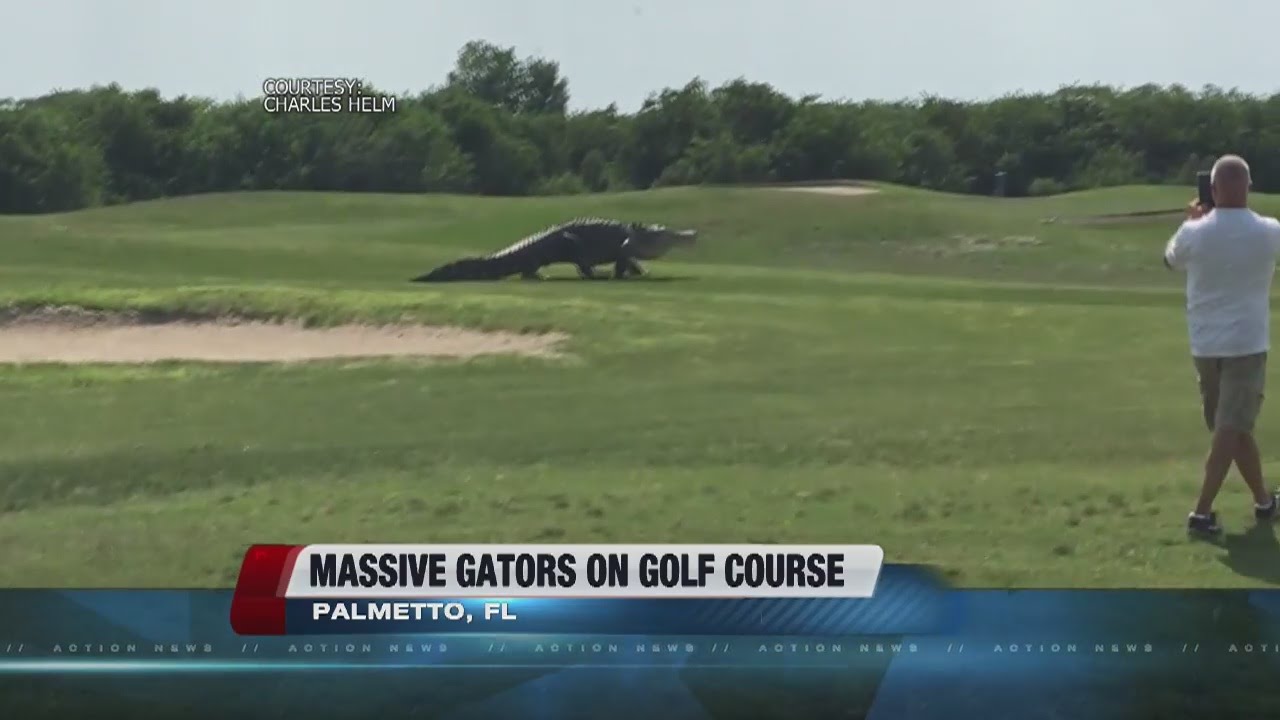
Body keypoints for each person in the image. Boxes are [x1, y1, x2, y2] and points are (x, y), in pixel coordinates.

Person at [1164, 154, 1280, 536]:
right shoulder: (1269, 230)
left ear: (1212, 190)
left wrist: (1191, 222)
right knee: (1231, 429)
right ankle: (1201, 512)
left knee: (1231, 428)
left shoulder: (1193, 231)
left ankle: (1264, 502)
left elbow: (1170, 261)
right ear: (1249, 187)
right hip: (1247, 343)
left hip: (1205, 345)